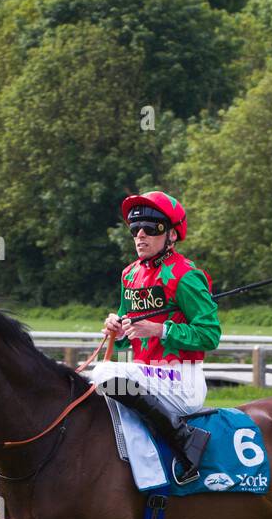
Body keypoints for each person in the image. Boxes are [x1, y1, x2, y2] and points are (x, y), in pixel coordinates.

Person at [89, 190, 221, 483]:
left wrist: (160, 330)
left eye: (151, 229)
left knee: (104, 373)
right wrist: (117, 332)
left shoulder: (186, 276)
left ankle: (186, 441)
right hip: (143, 377)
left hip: (181, 382)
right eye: (135, 229)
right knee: (95, 380)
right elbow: (126, 344)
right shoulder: (129, 275)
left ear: (172, 235)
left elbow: (210, 335)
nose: (140, 236)